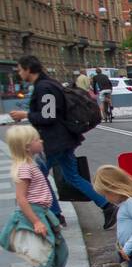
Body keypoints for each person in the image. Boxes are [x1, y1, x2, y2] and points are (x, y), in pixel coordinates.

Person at [7, 56, 117, 229]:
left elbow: (48, 116)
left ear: (28, 69)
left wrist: (25, 115)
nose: (20, 73)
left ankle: (56, 215)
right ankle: (107, 206)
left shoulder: (45, 87)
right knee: (71, 177)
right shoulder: (47, 84)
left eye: (20, 69)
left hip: (55, 141)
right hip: (62, 139)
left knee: (39, 176)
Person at [5, 124, 70, 267]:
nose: (41, 141)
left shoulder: (32, 163)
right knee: (43, 259)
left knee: (39, 259)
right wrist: (36, 221)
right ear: (26, 146)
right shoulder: (25, 168)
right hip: (35, 214)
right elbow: (21, 198)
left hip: (40, 212)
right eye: (36, 139)